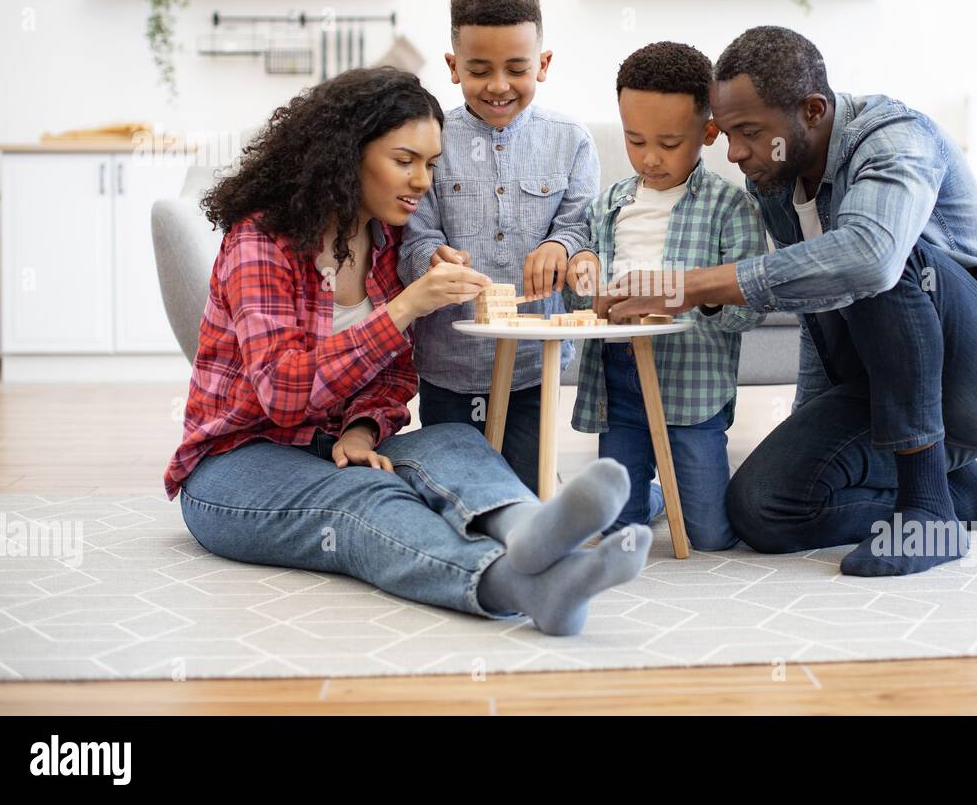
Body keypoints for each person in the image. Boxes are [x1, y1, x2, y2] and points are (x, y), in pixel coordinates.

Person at [165, 66, 649, 636]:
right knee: (366, 495)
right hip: (236, 462)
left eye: (431, 163)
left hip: (334, 444)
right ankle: (514, 583)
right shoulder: (262, 240)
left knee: (455, 442)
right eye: (405, 161)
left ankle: (531, 533)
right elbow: (283, 392)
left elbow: (394, 374)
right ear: (347, 155)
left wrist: (364, 430)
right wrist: (404, 309)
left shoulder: (389, 240)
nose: (423, 181)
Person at [602, 26, 977, 576]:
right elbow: (816, 309)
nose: (735, 154)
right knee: (762, 512)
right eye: (728, 134)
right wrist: (808, 434)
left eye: (750, 132)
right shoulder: (773, 177)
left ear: (812, 109)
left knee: (882, 260)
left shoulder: (895, 138)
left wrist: (691, 285)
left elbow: (871, 259)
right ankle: (964, 500)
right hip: (889, 387)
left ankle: (926, 508)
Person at [398, 0, 599, 493]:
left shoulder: (571, 141)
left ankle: (624, 502)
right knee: (456, 489)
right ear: (452, 67)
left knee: (527, 489)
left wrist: (562, 245)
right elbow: (412, 240)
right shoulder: (430, 139)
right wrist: (430, 258)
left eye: (517, 69)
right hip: (449, 361)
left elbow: (583, 226)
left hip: (535, 359)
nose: (499, 86)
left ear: (544, 65)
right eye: (479, 70)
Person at [564, 41, 767, 550]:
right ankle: (650, 497)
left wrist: (700, 295)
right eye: (635, 141)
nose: (650, 159)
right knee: (619, 533)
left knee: (710, 536)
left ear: (709, 133)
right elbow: (581, 304)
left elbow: (751, 311)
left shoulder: (731, 208)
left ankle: (673, 492)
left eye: (670, 143)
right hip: (619, 380)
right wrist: (581, 270)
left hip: (692, 388)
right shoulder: (609, 205)